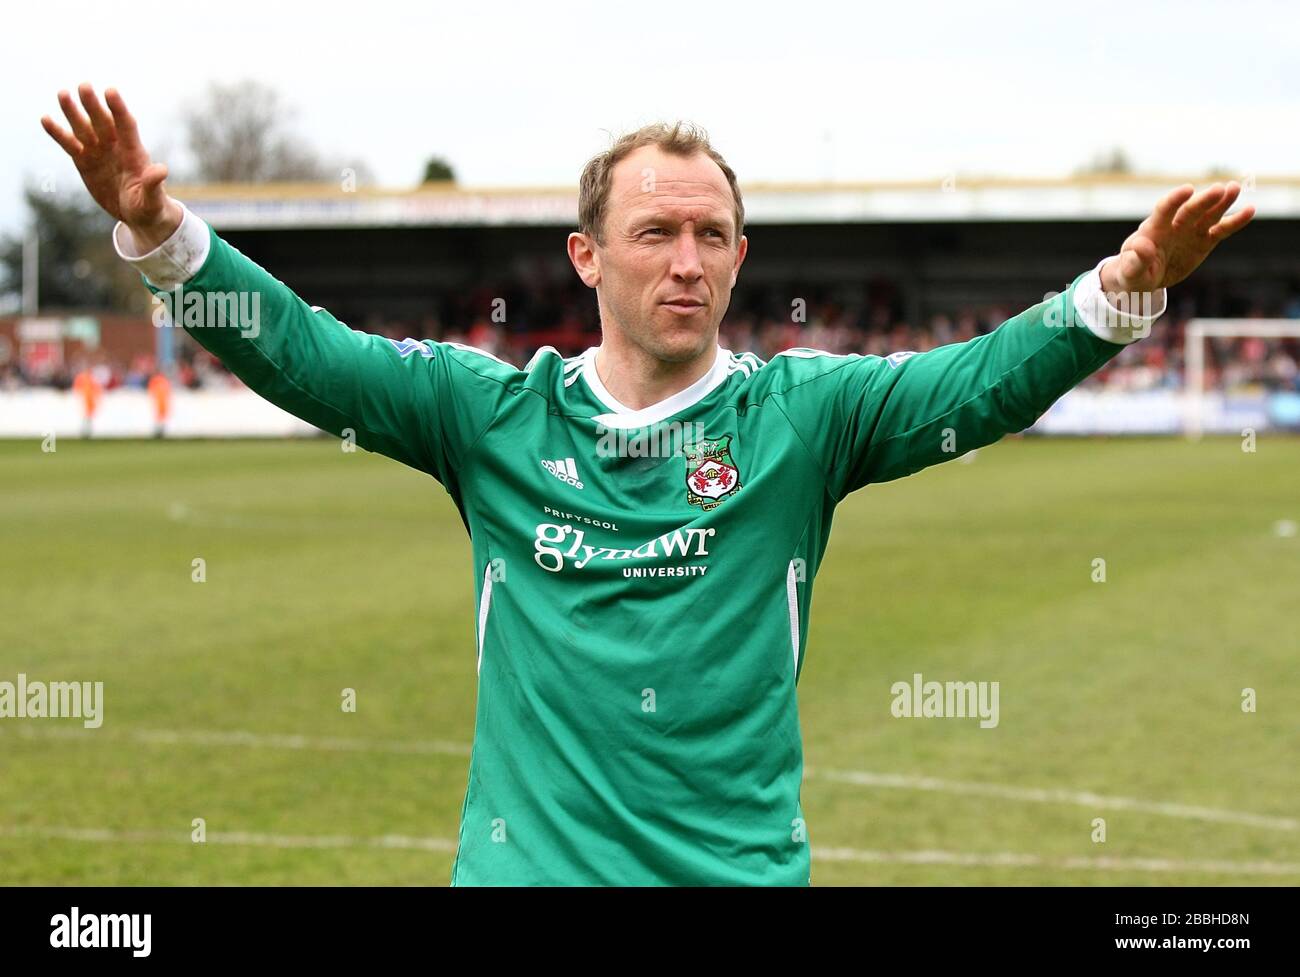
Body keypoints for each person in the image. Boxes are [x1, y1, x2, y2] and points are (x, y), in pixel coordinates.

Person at [43, 84, 1254, 886]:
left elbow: (980, 382)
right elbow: (307, 352)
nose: (686, 261)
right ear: (587, 256)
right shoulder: (492, 413)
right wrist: (166, 242)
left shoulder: (802, 417)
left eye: (712, 234)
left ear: (740, 255)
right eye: (655, 232)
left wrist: (1125, 286)